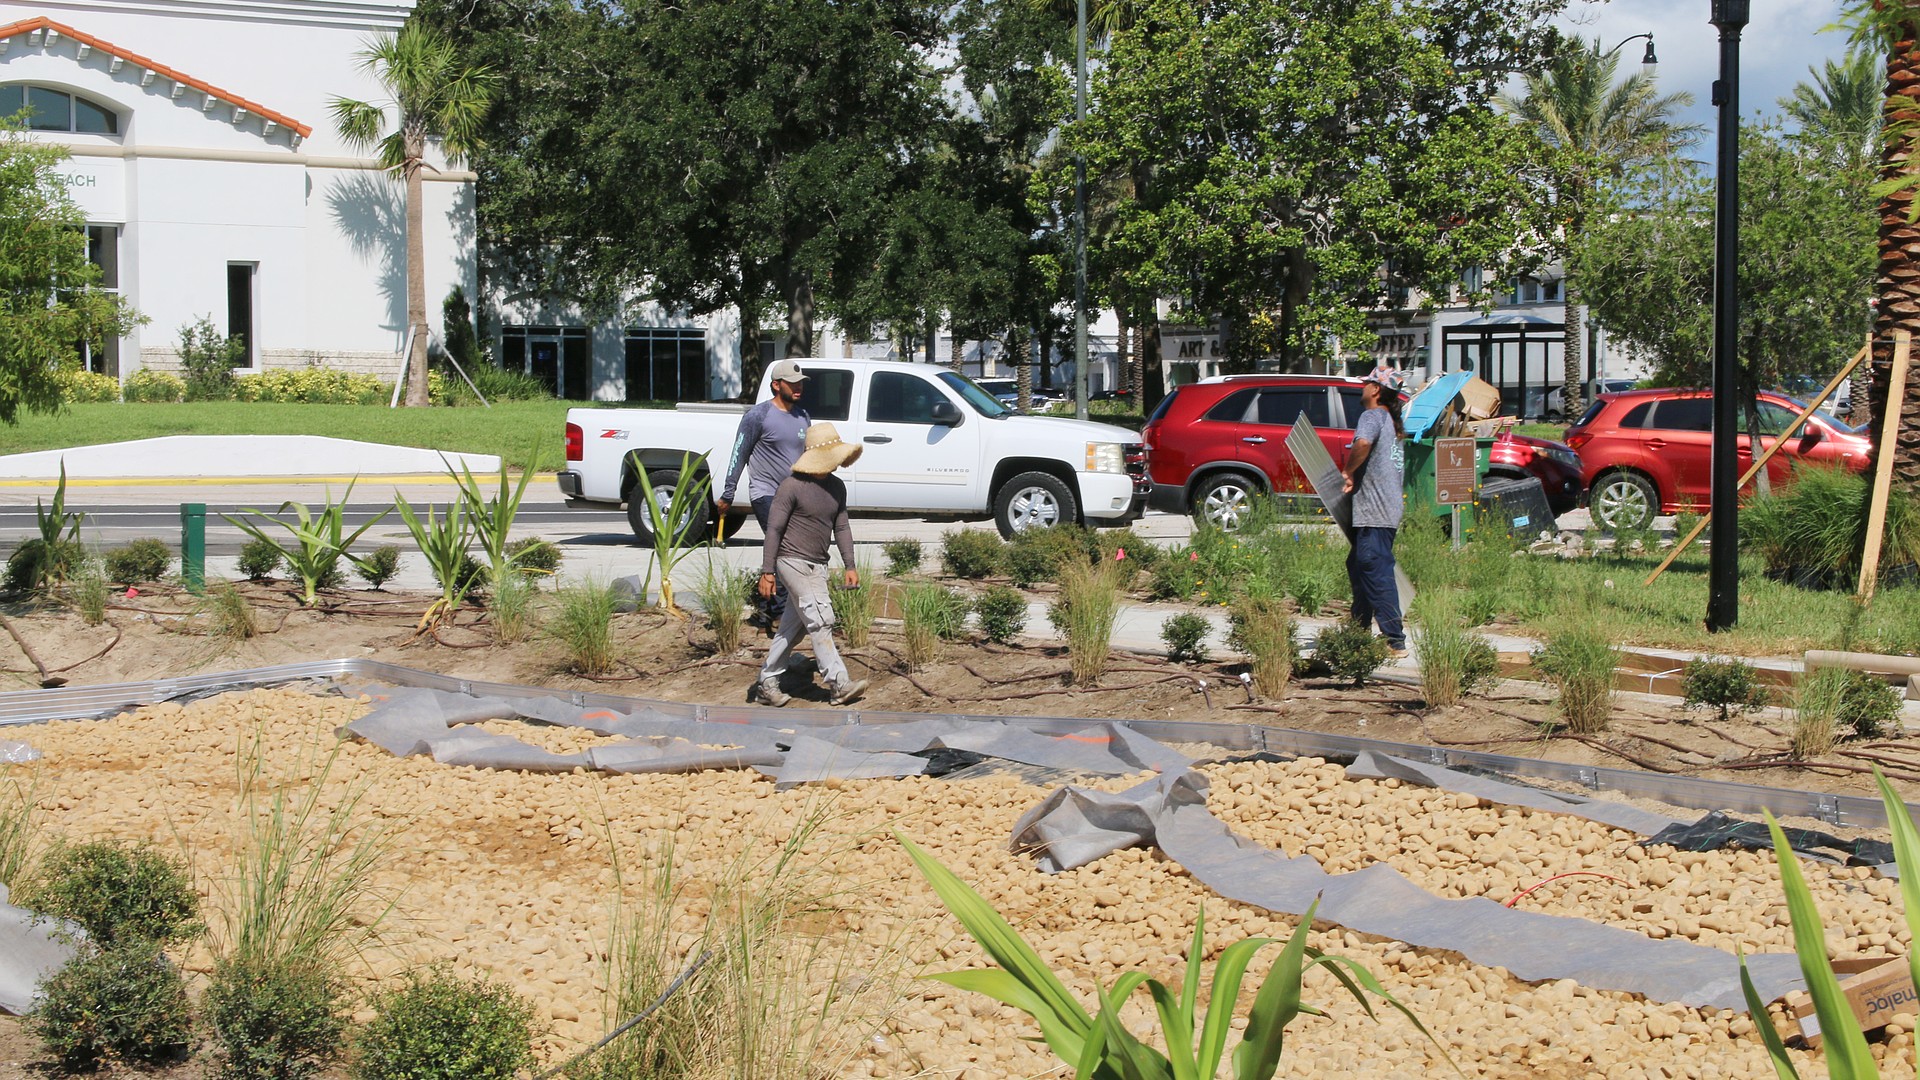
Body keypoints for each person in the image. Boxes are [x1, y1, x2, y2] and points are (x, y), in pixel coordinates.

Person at [752, 422, 868, 707]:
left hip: (818, 565)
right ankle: (839, 685)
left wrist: (850, 565)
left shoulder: (837, 487)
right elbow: (774, 531)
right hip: (792, 562)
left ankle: (767, 682)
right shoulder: (791, 486)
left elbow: (841, 528)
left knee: (793, 627)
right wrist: (767, 571)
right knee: (820, 620)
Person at [717, 359, 811, 629]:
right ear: (776, 385)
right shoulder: (758, 416)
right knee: (781, 544)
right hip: (765, 492)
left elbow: (806, 457)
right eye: (792, 384)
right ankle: (779, 611)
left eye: (800, 383)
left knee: (793, 549)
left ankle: (769, 607)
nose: (798, 387)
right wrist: (728, 493)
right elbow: (739, 453)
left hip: (793, 494)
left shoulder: (803, 416)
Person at [1341, 369, 1408, 656]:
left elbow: (1363, 443)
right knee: (1358, 565)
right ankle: (1358, 632)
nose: (1363, 387)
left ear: (1376, 390)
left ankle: (1394, 639)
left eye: (1367, 383)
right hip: (1387, 509)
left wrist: (1348, 471)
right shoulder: (1392, 422)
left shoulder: (1372, 417)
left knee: (1375, 569)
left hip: (1374, 511)